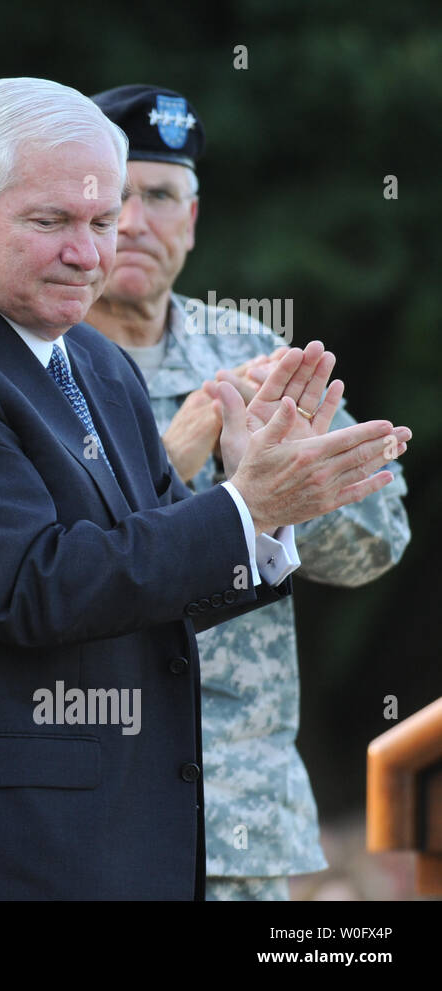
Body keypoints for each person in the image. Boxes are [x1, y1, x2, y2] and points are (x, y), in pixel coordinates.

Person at [0, 77, 411, 900]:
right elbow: (38, 586)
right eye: (52, 221)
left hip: (104, 845)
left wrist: (258, 507)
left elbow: (162, 573)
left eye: (101, 222)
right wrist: (248, 507)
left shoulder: (87, 357)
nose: (91, 252)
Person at [85, 84, 411, 900]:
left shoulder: (256, 356)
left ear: (191, 221)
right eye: (113, 196)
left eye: (160, 195)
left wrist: (288, 487)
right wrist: (183, 447)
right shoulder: (31, 364)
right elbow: (48, 561)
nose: (133, 221)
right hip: (84, 802)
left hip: (239, 815)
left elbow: (378, 545)